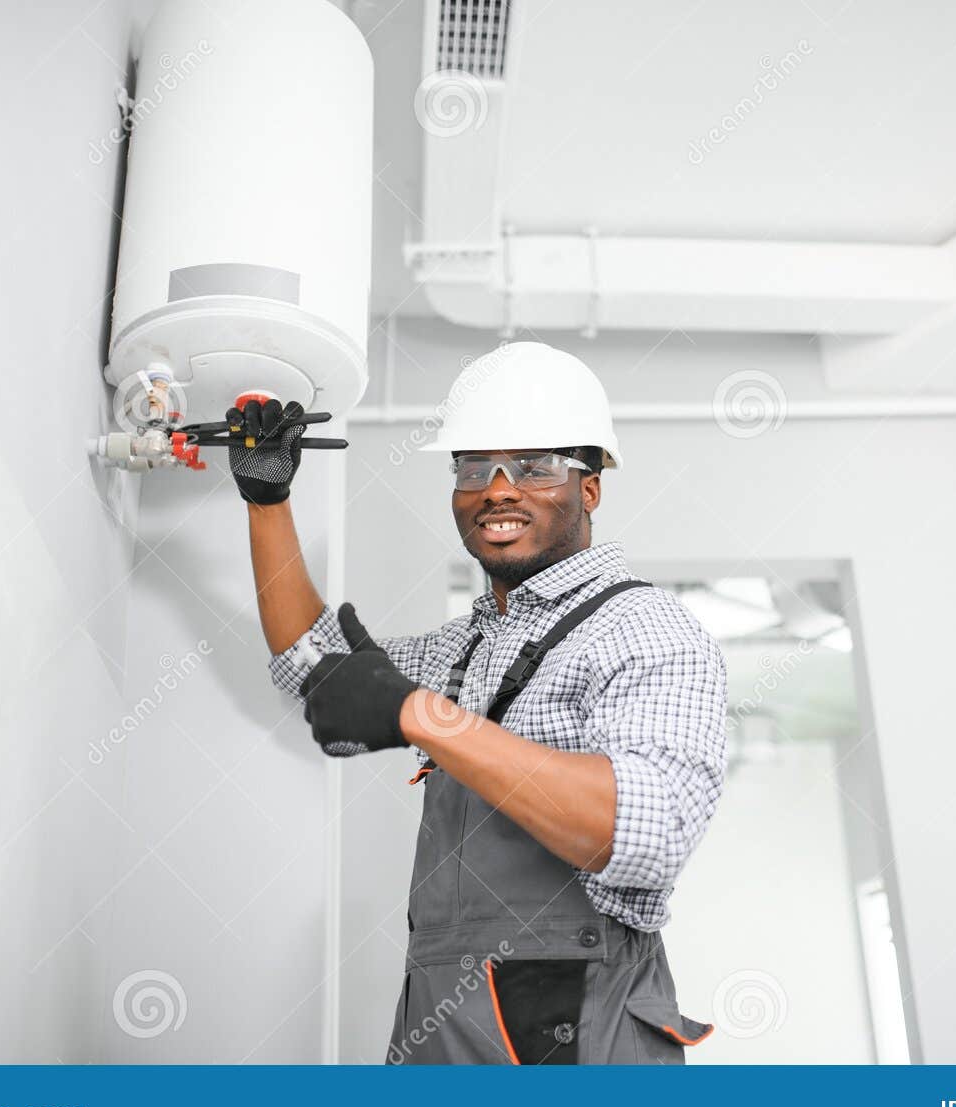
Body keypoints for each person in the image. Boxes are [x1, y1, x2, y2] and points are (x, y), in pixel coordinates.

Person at [230, 341, 727, 1064]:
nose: (498, 487)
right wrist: (269, 504)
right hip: (440, 1018)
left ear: (589, 488)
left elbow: (646, 832)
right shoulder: (466, 647)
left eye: (534, 466)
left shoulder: (644, 628)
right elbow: (313, 665)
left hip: (574, 1031)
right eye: (473, 467)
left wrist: (421, 715)